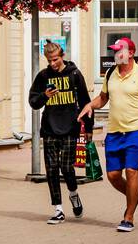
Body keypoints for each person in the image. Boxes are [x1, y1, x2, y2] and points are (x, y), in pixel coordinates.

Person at [79, 37, 138, 232]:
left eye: (120, 50)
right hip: (114, 131)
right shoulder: (110, 73)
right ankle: (133, 195)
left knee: (132, 171)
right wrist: (89, 105)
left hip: (136, 129)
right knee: (113, 175)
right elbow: (102, 99)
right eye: (114, 51)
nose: (116, 54)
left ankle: (129, 216)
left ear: (131, 53)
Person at [28, 41, 92, 224]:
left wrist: (88, 128)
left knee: (66, 167)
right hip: (49, 128)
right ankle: (58, 209)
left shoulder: (74, 74)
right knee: (51, 169)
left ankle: (73, 193)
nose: (53, 63)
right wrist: (44, 96)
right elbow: (33, 102)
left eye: (55, 59)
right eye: (49, 60)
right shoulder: (43, 76)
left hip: (70, 127)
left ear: (62, 56)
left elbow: (86, 102)